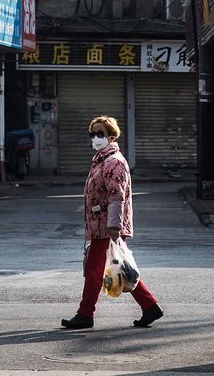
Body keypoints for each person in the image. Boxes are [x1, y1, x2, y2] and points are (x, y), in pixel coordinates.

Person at [61, 115, 163, 329]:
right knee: (119, 267)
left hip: (107, 227)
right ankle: (150, 306)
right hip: (101, 225)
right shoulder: (101, 160)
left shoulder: (113, 162)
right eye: (93, 133)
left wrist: (114, 227)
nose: (96, 138)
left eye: (101, 134)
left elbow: (117, 196)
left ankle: (85, 315)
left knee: (94, 271)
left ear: (111, 136)